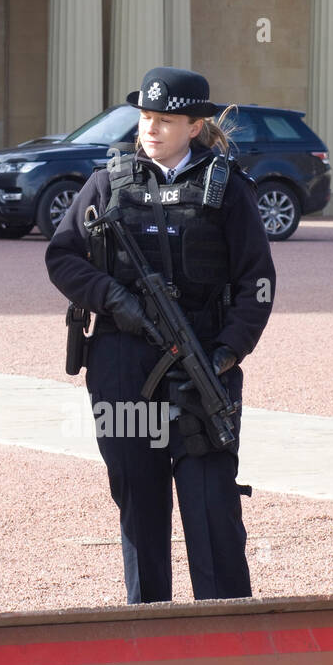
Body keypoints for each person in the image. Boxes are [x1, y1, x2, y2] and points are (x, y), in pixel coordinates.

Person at [46, 66, 276, 604]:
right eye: (146, 117)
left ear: (195, 126)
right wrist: (112, 299)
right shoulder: (107, 182)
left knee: (210, 503)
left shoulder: (228, 189)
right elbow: (62, 257)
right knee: (139, 499)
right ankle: (146, 630)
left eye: (165, 120)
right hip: (123, 362)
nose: (150, 128)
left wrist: (230, 349)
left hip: (203, 361)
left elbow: (257, 281)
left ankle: (224, 634)